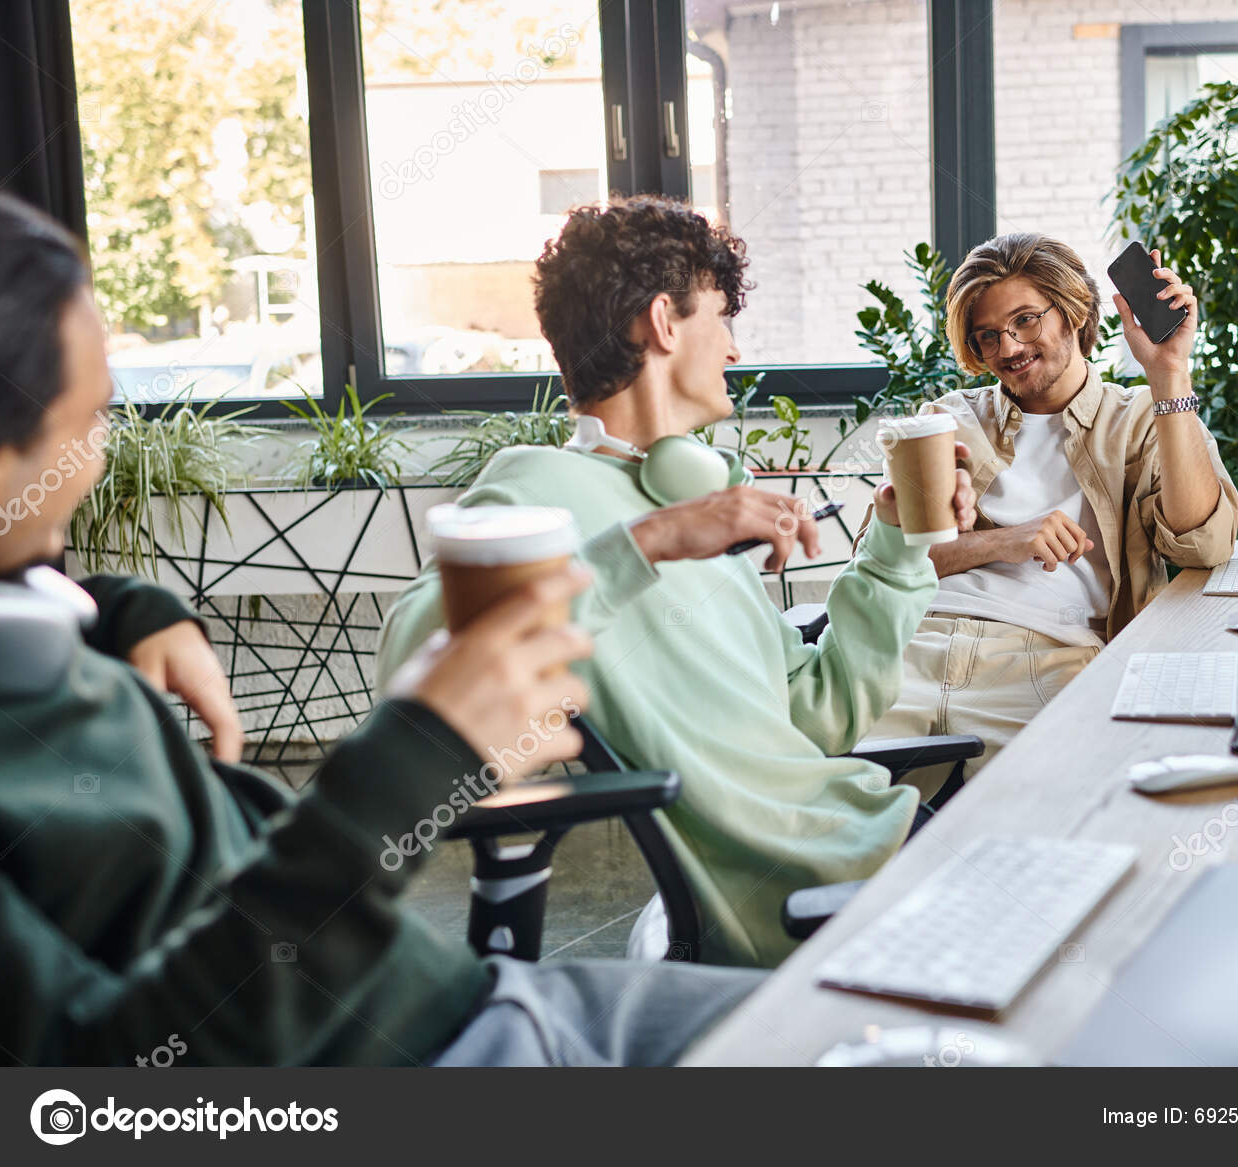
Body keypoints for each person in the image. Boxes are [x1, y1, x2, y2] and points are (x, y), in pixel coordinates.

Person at [0, 191, 762, 1067]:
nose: (100, 454)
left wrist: (131, 607)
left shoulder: (32, 626)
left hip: (456, 997)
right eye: (91, 417)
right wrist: (417, 757)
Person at [378, 194, 976, 968]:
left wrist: (897, 546)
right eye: (721, 317)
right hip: (820, 886)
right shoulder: (534, 492)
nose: (732, 349)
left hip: (878, 833)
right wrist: (650, 542)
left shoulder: (687, 500)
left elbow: (817, 720)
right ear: (663, 322)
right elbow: (411, 671)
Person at [866, 233, 1238, 783]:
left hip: (1046, 658)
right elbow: (879, 565)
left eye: (1025, 321)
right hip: (911, 644)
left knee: (1051, 816)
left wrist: (1168, 375)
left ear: (1072, 311)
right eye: (988, 335)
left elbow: (1203, 544)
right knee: (821, 811)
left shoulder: (1139, 419)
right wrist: (1001, 542)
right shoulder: (950, 419)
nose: (1009, 348)